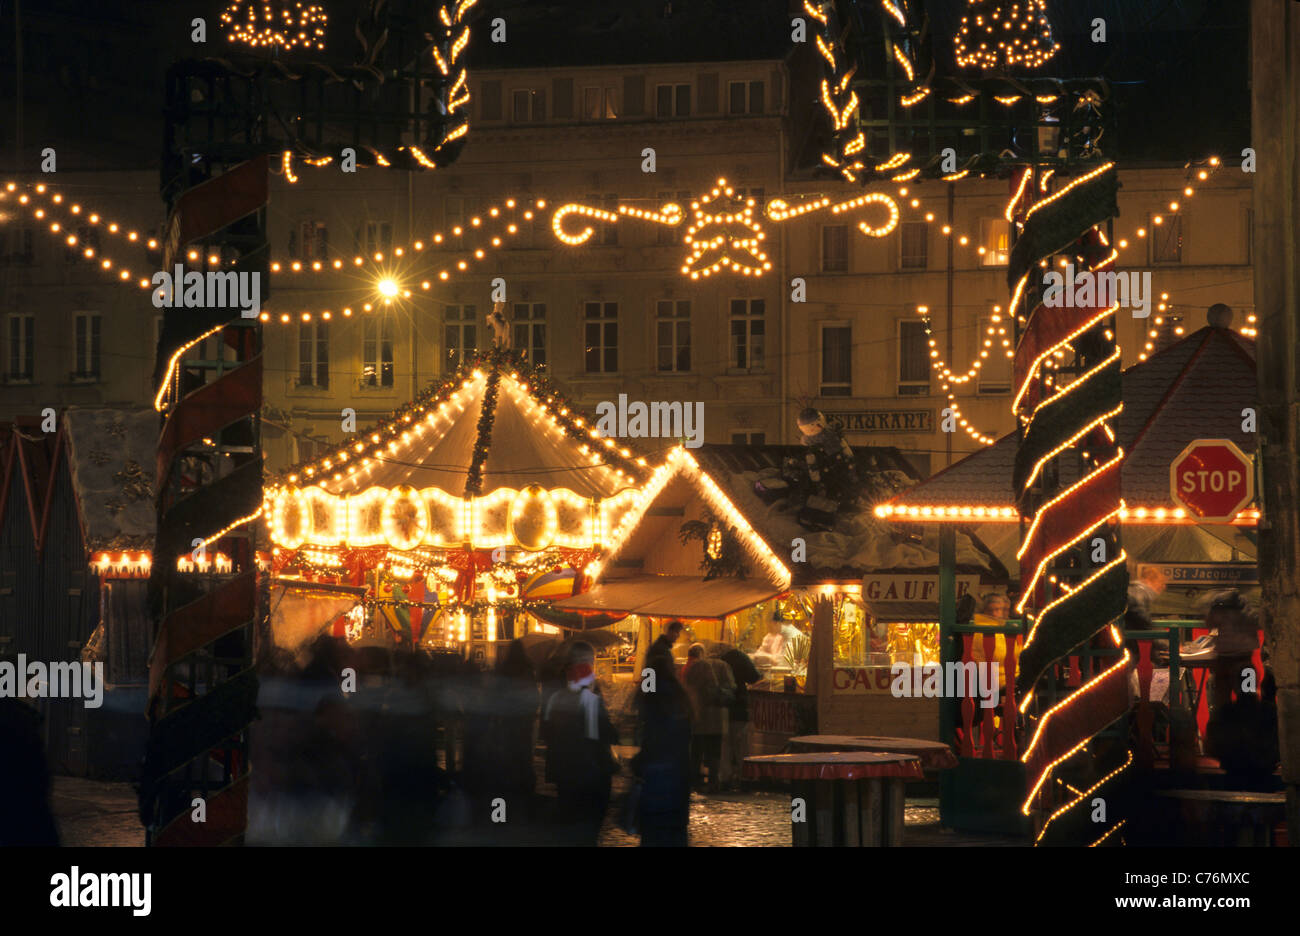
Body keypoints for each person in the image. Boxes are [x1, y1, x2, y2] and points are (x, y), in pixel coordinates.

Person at [542, 642, 619, 845]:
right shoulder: (589, 700)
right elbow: (601, 738)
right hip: (588, 776)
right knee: (587, 831)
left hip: (564, 774)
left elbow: (547, 733)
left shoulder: (555, 698)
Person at [634, 649, 692, 846]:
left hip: (655, 780)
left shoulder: (653, 699)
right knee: (675, 833)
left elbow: (643, 706)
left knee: (653, 835)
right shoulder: (680, 696)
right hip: (679, 778)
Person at [683, 643, 735, 792]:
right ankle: (713, 781)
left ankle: (694, 781)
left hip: (697, 714)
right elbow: (731, 687)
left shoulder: (693, 667)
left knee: (696, 750)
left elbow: (687, 688)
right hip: (716, 715)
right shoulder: (723, 666)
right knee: (714, 749)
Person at [1206, 589, 1260, 710]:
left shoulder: (1217, 608)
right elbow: (1258, 622)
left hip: (1223, 662)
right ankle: (1248, 726)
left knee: (1221, 703)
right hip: (1245, 661)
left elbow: (1209, 622)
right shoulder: (1247, 609)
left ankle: (1222, 726)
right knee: (1249, 700)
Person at [716, 646, 761, 788]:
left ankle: (725, 777)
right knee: (741, 743)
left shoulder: (718, 660)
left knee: (725, 745)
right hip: (739, 706)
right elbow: (754, 677)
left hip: (723, 707)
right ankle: (744, 776)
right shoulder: (741, 658)